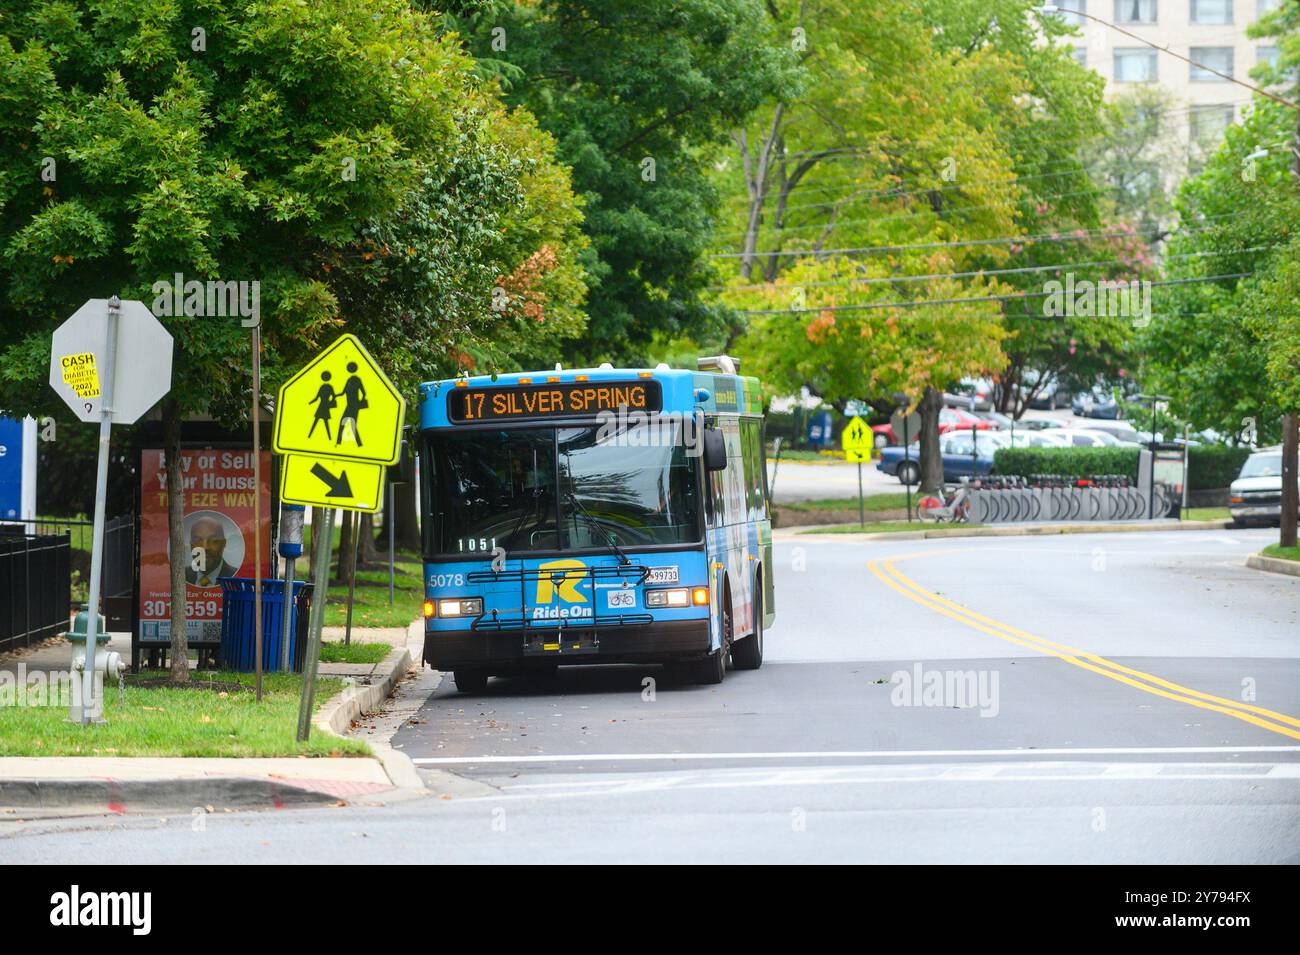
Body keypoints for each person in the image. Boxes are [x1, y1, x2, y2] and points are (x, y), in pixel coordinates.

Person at [184, 517, 239, 587]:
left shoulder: (236, 576)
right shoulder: (182, 575)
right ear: (191, 544)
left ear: (224, 543)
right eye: (198, 540)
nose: (205, 547)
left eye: (213, 540)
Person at [337, 362, 367, 447]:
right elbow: (343, 392)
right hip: (348, 405)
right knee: (343, 422)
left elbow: (363, 392)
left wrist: (361, 401)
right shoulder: (349, 380)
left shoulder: (357, 379)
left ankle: (359, 444)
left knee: (352, 424)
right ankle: (339, 442)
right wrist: (336, 395)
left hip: (354, 406)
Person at [308, 371, 336, 439]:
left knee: (317, 421)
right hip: (325, 406)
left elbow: (316, 398)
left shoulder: (323, 387)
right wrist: (330, 401)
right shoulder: (329, 387)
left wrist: (310, 403)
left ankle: (310, 435)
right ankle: (329, 437)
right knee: (324, 422)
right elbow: (334, 396)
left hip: (322, 406)